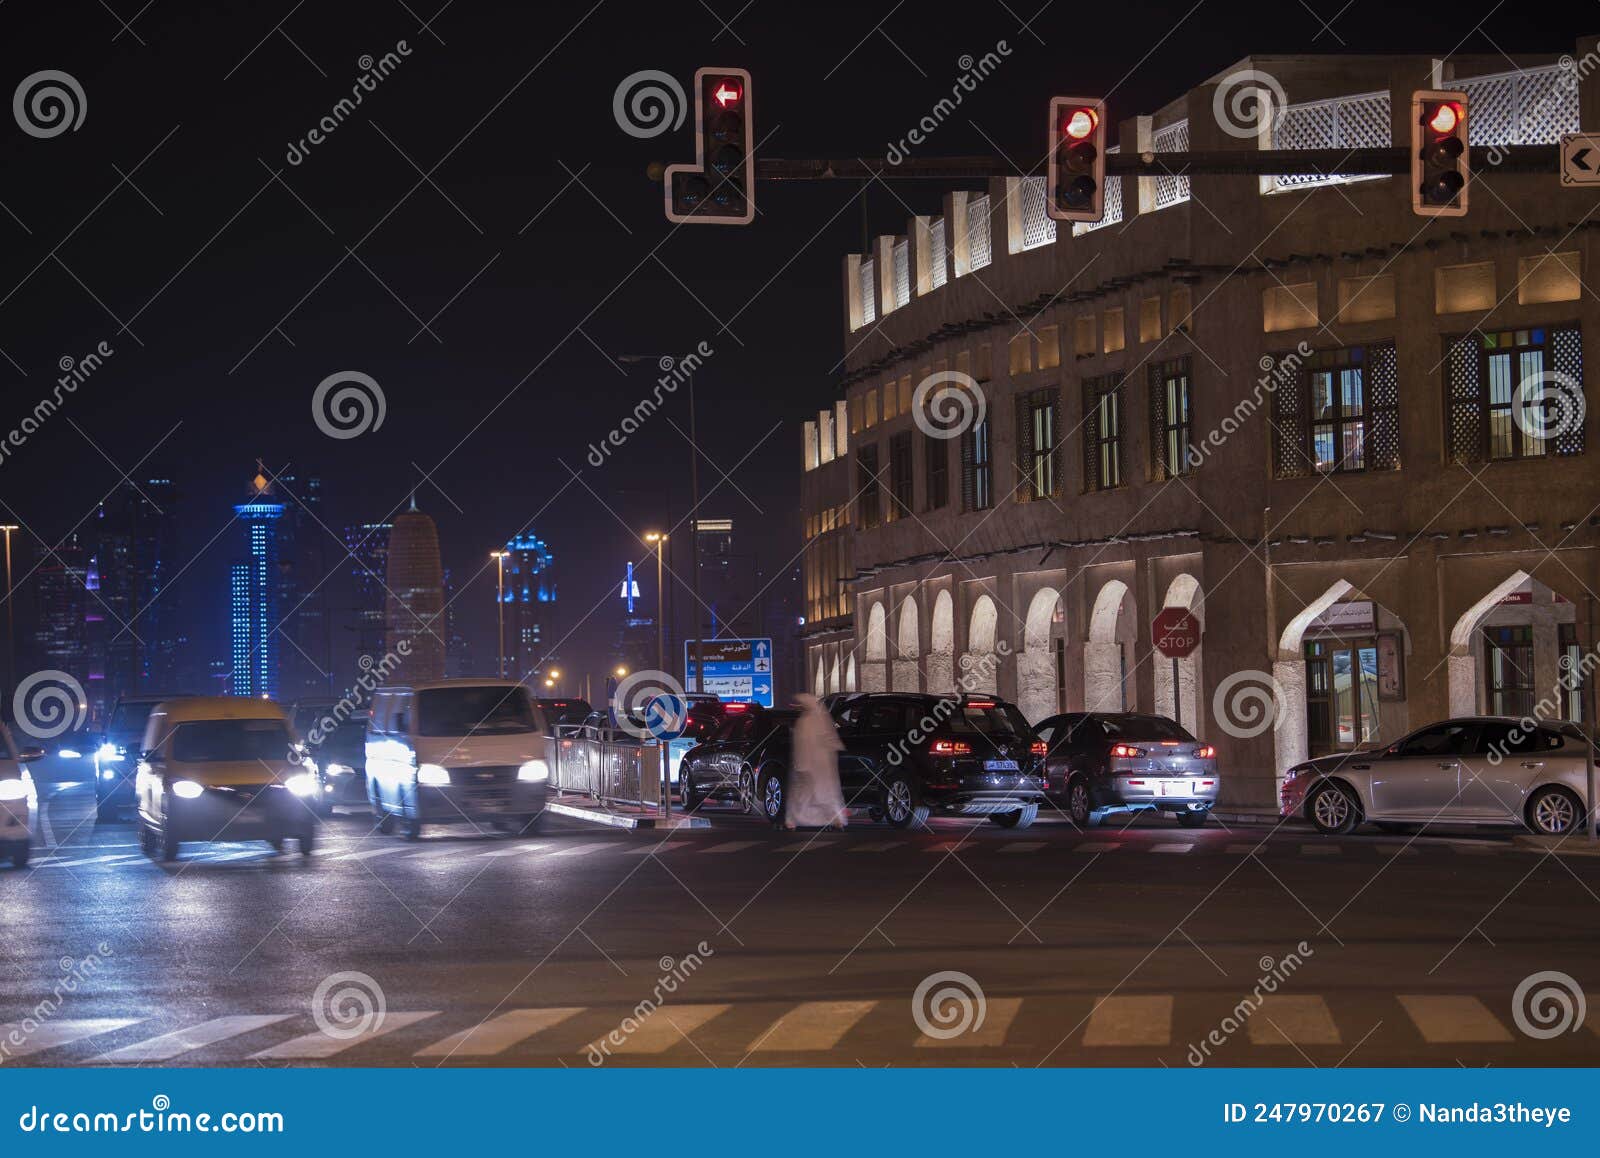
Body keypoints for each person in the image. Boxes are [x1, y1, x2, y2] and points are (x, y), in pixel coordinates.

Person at [785, 694, 847, 830]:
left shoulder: (809, 721)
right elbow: (828, 739)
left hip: (816, 765)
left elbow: (805, 743)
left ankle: (835, 820)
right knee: (816, 793)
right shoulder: (812, 721)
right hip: (815, 765)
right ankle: (835, 820)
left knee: (812, 793)